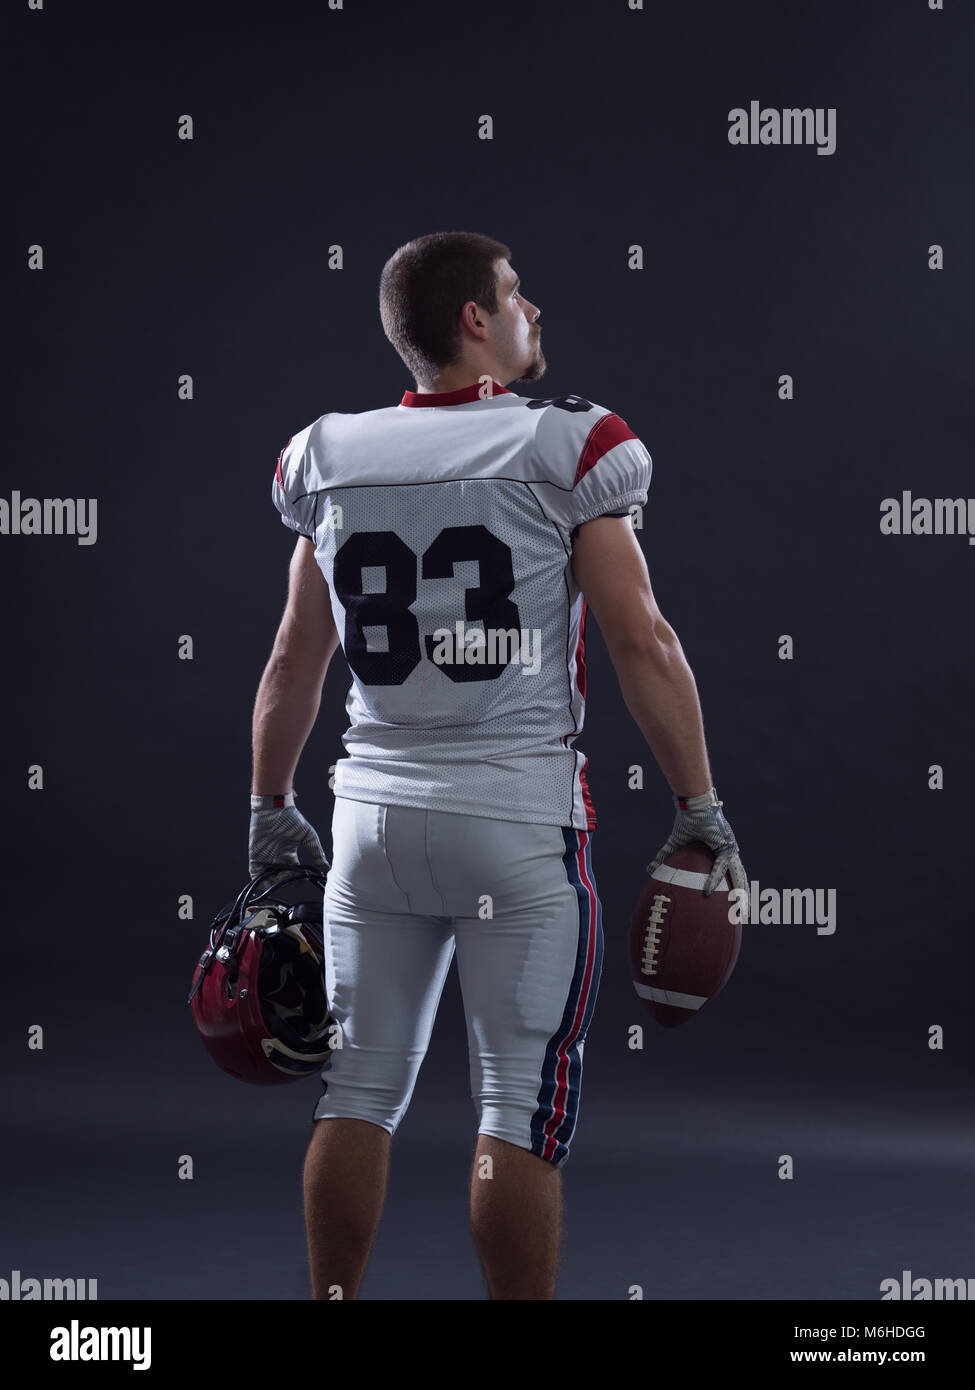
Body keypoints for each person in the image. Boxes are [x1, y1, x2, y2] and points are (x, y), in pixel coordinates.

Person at [248, 231, 747, 1301]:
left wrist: (267, 802)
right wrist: (699, 803)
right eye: (518, 294)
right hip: (514, 822)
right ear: (475, 319)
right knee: (517, 1102)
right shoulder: (562, 447)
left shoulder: (332, 451)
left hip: (369, 821)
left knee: (357, 1088)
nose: (535, 313)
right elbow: (642, 640)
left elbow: (296, 651)